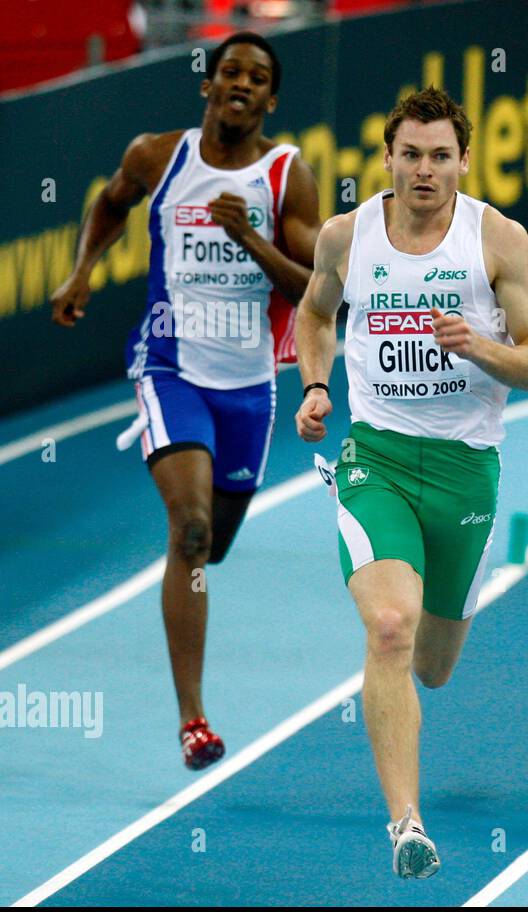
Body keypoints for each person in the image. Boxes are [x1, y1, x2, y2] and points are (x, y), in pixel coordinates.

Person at [293, 87, 528, 878]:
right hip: (375, 459)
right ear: (387, 158)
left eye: (441, 155)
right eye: (410, 154)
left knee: (434, 664)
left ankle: (414, 684)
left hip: (465, 474)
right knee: (388, 628)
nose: (425, 170)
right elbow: (314, 314)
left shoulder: (498, 241)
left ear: (464, 162)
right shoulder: (348, 235)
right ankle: (406, 823)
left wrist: (483, 349)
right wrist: (314, 386)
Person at [50, 32, 320, 770]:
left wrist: (249, 240)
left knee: (215, 545)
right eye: (229, 69)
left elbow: (313, 289)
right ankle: (193, 719)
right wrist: (82, 272)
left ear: (270, 100)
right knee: (192, 528)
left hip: (249, 383)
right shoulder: (156, 156)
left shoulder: (286, 176)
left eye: (256, 77)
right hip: (169, 364)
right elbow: (109, 206)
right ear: (208, 85)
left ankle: (194, 555)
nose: (240, 82)